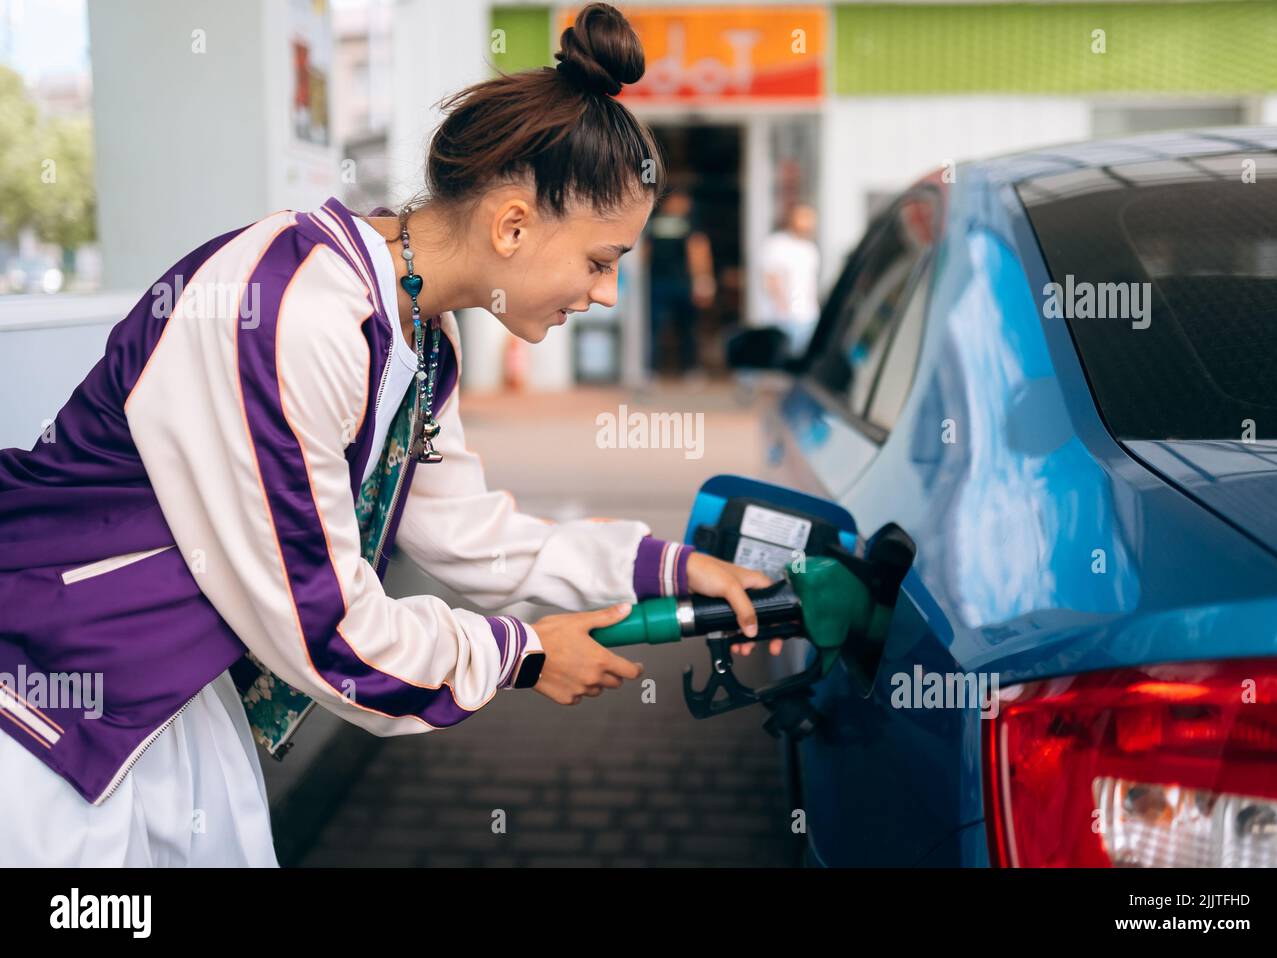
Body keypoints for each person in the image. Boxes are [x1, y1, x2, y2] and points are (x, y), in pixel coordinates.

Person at [0, 2, 779, 867]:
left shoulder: (415, 335)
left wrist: (668, 567)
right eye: (601, 261)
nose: (605, 296)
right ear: (513, 225)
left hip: (165, 700)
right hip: (43, 718)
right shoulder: (289, 312)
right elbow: (325, 624)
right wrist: (518, 654)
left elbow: (470, 536)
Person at [646, 189, 715, 377]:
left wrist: (702, 280)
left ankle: (685, 368)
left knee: (684, 328)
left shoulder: (653, 222)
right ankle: (655, 369)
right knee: (665, 329)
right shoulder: (665, 222)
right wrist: (703, 280)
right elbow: (699, 251)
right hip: (666, 284)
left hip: (674, 283)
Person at [756, 203, 821, 358]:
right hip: (784, 318)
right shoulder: (777, 245)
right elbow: (771, 279)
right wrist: (782, 309)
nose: (808, 223)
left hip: (809, 316)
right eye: (803, 217)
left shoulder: (810, 249)